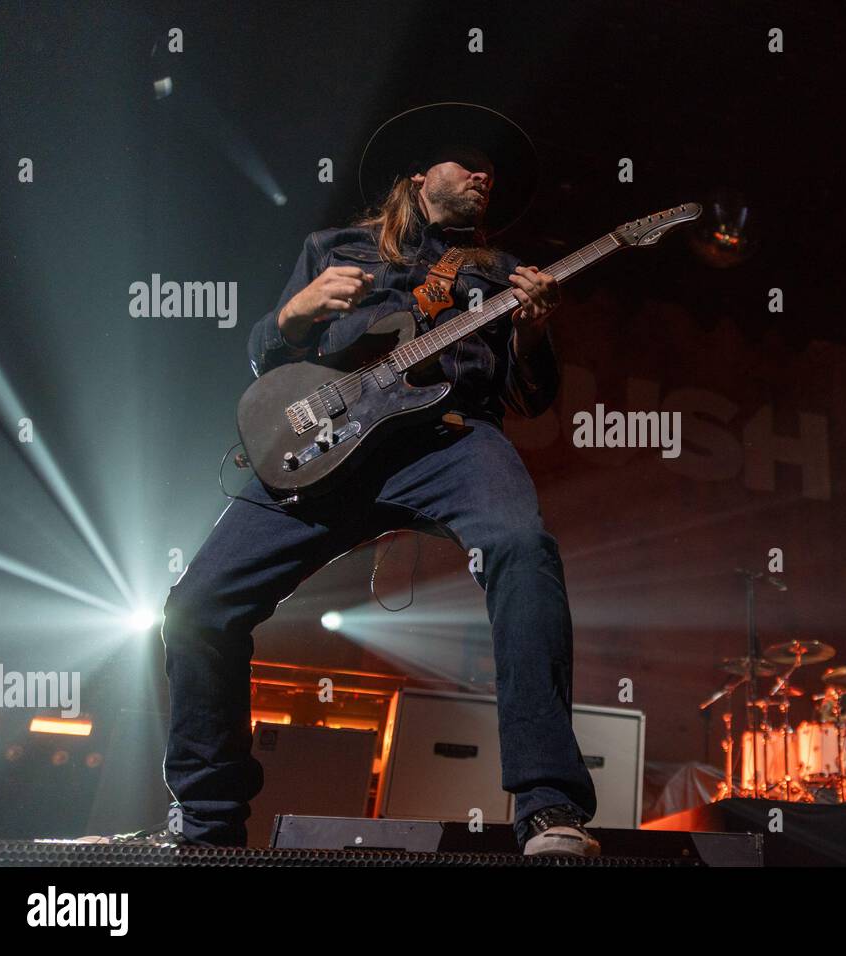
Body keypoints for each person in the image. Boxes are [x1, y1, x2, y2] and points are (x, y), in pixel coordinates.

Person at [85, 103, 600, 857]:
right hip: (327, 454)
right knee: (195, 610)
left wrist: (530, 330)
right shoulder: (336, 247)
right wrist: (293, 313)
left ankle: (550, 809)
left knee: (522, 547)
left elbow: (528, 398)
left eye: (490, 170)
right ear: (420, 175)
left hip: (449, 443)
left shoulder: (498, 273)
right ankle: (208, 824)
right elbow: (270, 365)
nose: (484, 175)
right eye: (467, 162)